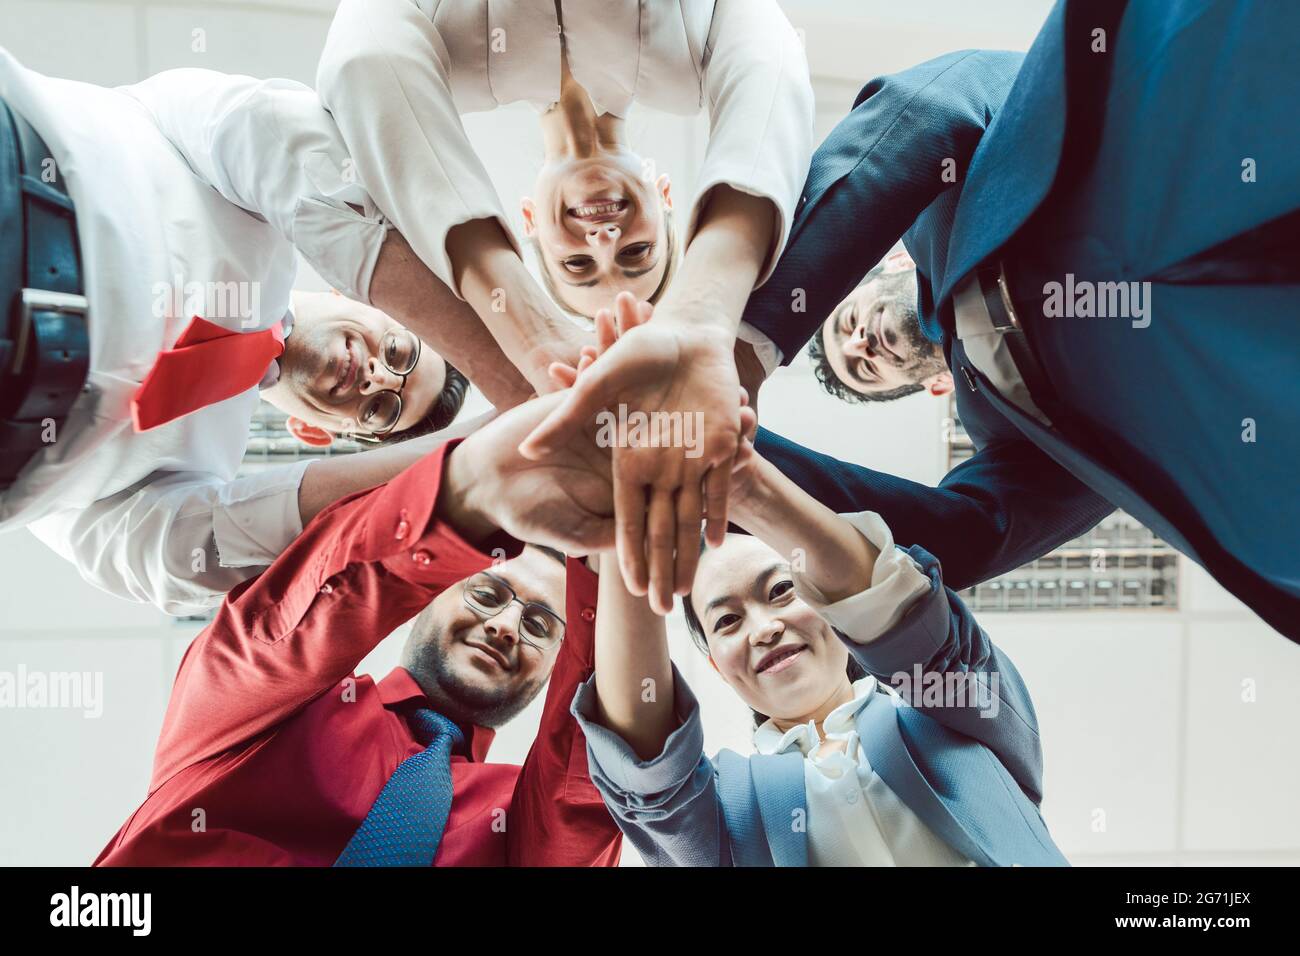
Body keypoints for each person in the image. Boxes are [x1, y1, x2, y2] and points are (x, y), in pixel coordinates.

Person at [737, 0, 1300, 641]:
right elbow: (966, 541)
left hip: (1227, 87)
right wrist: (739, 466)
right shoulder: (1019, 443)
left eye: (846, 325)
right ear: (936, 388)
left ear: (886, 259)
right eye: (865, 369)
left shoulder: (941, 186)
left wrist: (741, 349)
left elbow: (930, 104)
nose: (863, 343)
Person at [317, 0, 814, 605]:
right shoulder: (690, 48)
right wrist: (702, 321)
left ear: (528, 220)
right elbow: (774, 63)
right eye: (637, 253)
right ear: (663, 195)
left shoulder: (454, 56)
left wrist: (535, 343)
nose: (603, 239)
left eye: (576, 264)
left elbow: (364, 51)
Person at [0, 56, 529, 615]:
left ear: (316, 432)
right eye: (398, 350)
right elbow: (272, 137)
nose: (376, 375)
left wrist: (469, 455)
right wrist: (519, 379)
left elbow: (170, 557)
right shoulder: (249, 207)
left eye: (381, 409)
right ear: (357, 299)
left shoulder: (192, 478)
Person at [93, 389, 637, 866]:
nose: (505, 626)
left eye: (542, 625)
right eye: (487, 594)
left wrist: (615, 545)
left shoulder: (517, 817)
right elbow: (326, 601)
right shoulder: (268, 712)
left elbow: (584, 786)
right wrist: (483, 486)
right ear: (431, 595)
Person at [570, 426, 1066, 867]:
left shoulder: (953, 719)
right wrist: (625, 527)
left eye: (782, 591)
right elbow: (649, 777)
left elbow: (921, 640)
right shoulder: (729, 808)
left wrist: (737, 480)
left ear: (832, 610)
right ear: (717, 667)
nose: (764, 628)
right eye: (727, 620)